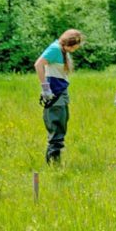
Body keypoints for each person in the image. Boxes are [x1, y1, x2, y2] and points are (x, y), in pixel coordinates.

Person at [34, 29, 85, 165]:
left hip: (61, 91)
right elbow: (38, 64)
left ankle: (55, 162)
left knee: (62, 124)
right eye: (76, 45)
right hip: (54, 93)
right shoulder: (55, 49)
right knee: (57, 127)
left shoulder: (62, 50)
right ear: (70, 43)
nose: (77, 48)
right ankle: (53, 164)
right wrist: (45, 87)